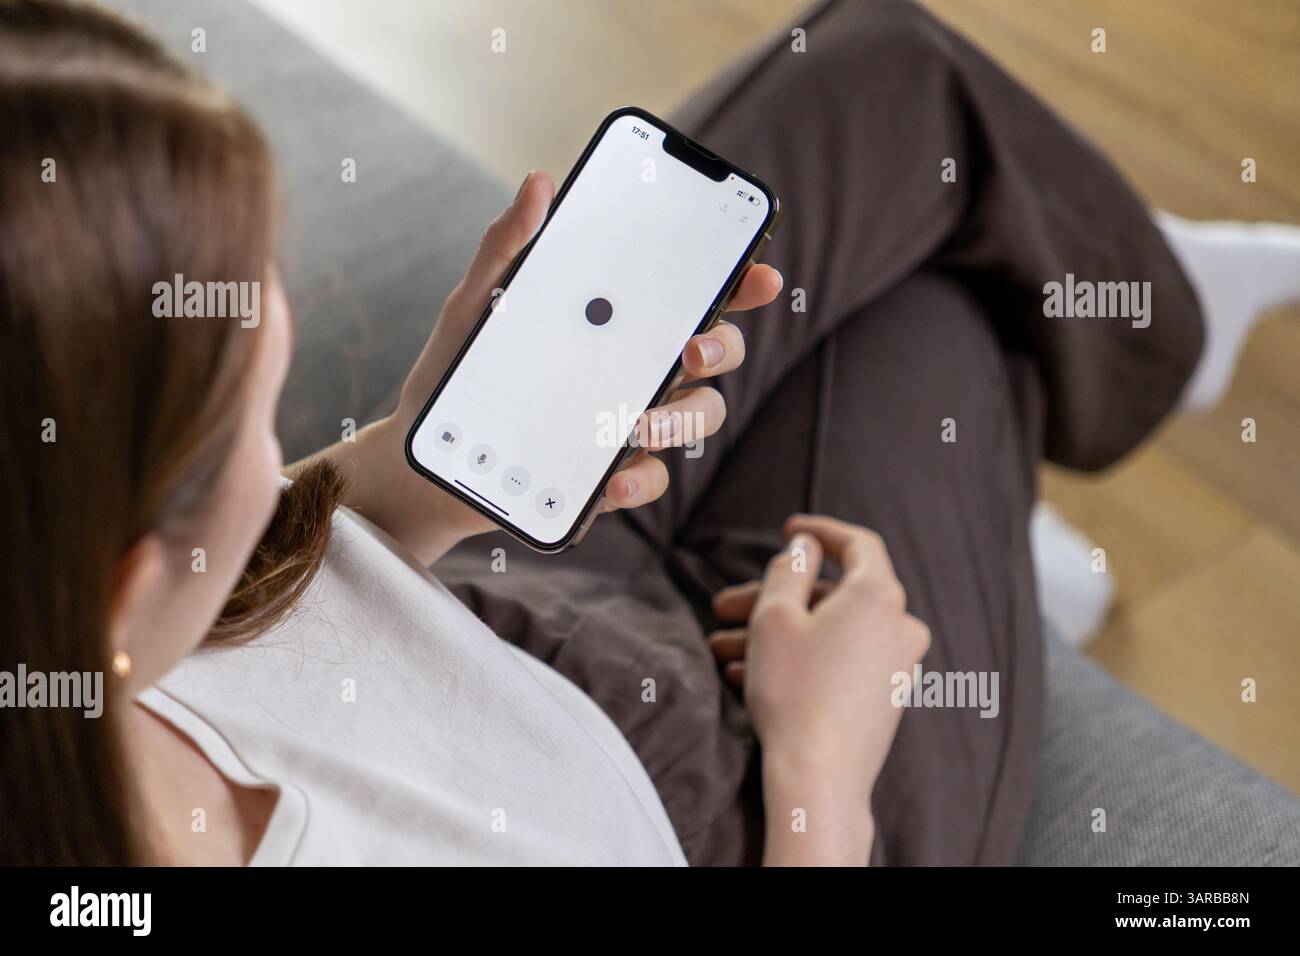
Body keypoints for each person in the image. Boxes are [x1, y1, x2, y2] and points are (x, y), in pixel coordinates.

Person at [3, 0, 1295, 866]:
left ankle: (1130, 352)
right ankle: (1101, 378)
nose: (281, 328)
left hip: (509, 600)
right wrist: (823, 777)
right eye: (250, 401)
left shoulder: (54, 612)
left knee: (883, 69)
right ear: (118, 587)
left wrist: (427, 454)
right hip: (738, 808)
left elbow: (239, 617)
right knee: (956, 306)